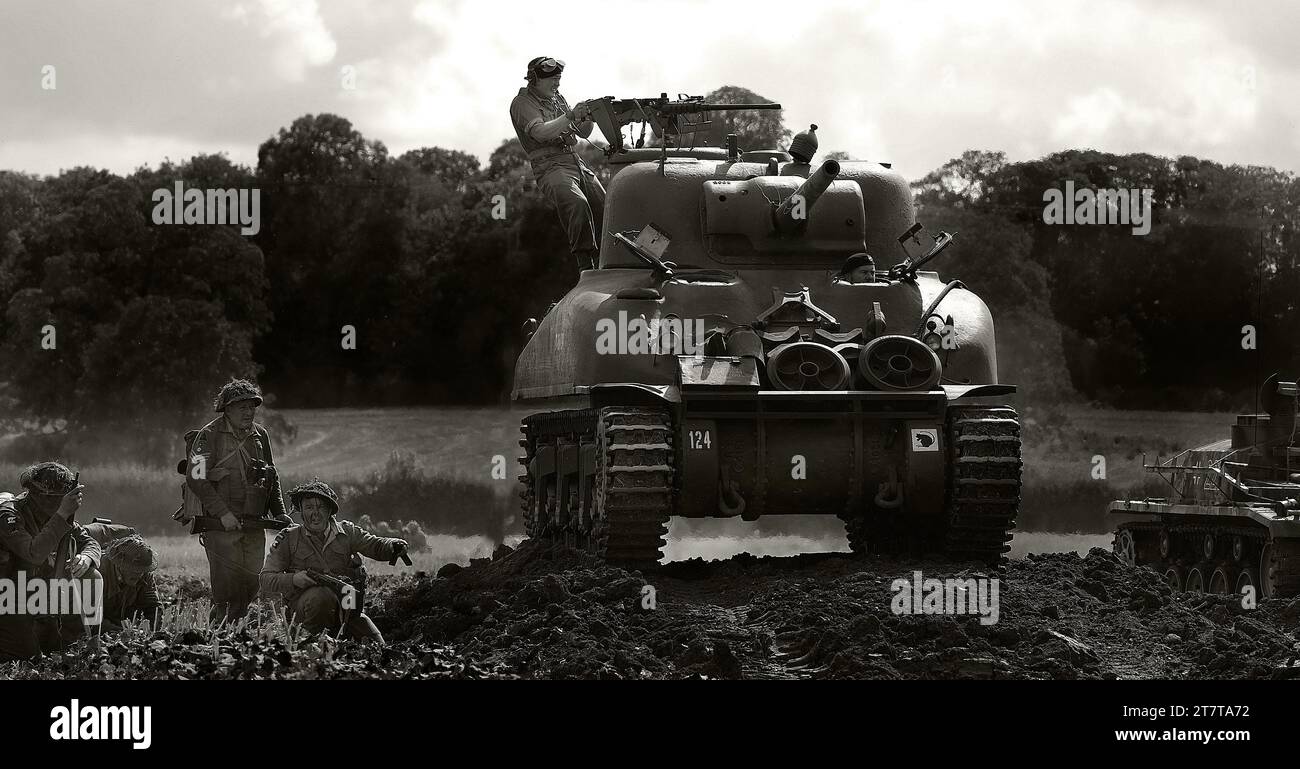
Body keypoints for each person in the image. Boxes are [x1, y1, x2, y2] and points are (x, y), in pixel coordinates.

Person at [186, 378, 289, 623]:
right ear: (227, 409)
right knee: (226, 588)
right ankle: (218, 637)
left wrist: (280, 512)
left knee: (251, 582)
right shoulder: (207, 436)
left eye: (252, 406)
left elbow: (270, 475)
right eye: (241, 406)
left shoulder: (260, 435)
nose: (248, 412)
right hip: (221, 524)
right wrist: (223, 513)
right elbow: (196, 477)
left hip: (253, 522)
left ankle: (235, 634)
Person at [260, 480, 407, 642]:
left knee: (378, 647)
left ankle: (340, 638)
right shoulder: (289, 539)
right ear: (301, 511)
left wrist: (393, 545)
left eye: (321, 507)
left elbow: (376, 545)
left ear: (330, 510)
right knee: (322, 597)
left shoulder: (347, 532)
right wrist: (294, 579)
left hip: (347, 604)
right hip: (307, 612)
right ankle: (309, 643)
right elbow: (266, 578)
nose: (315, 513)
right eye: (309, 507)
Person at [509, 56, 606, 273]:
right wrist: (571, 115)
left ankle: (608, 260)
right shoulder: (522, 103)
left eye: (558, 79)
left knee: (607, 206)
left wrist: (589, 115)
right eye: (552, 79)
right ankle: (585, 264)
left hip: (574, 160)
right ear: (534, 79)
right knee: (576, 203)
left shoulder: (557, 98)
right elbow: (541, 133)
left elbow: (583, 133)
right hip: (549, 165)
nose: (557, 84)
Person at [0, 462, 102, 661]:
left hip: (35, 593)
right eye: (56, 499)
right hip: (7, 597)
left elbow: (88, 541)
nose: (59, 504)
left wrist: (87, 557)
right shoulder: (8, 515)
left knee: (91, 576)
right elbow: (33, 552)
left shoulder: (55, 516)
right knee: (28, 658)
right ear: (37, 495)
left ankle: (81, 644)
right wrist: (62, 514)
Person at [99, 535, 161, 632]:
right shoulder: (98, 573)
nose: (139, 574)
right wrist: (123, 632)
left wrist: (149, 632)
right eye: (134, 570)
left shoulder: (145, 573)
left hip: (127, 625)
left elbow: (153, 608)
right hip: (102, 627)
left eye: (141, 570)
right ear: (120, 565)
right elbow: (91, 621)